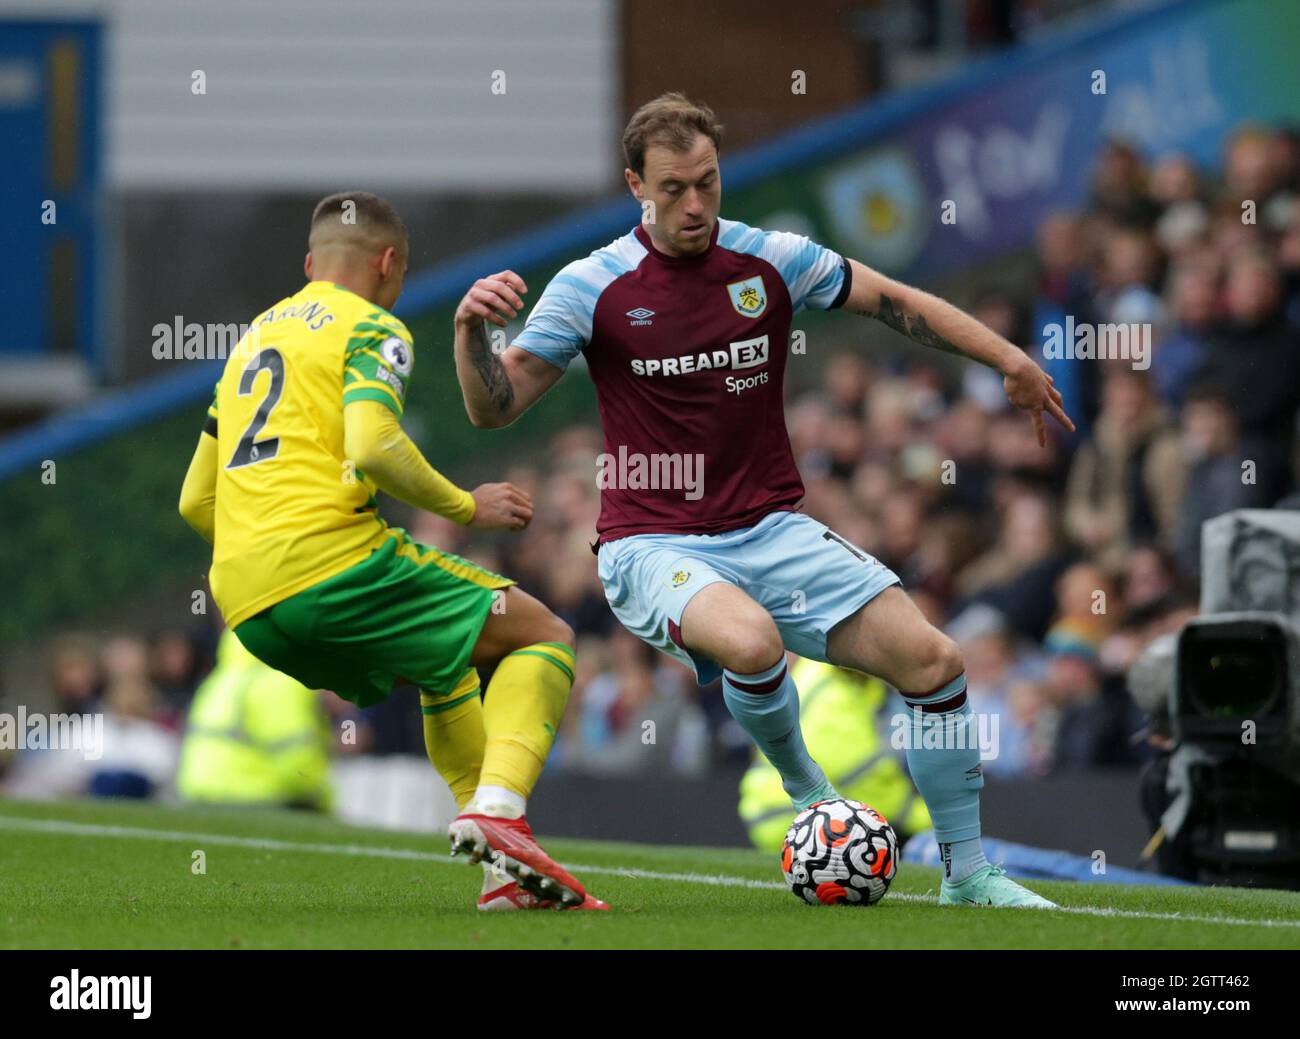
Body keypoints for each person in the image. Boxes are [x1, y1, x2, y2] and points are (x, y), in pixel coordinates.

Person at [452, 94, 1072, 907]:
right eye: (673, 188)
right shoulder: (592, 286)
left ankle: (968, 874)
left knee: (936, 662)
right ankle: (811, 794)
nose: (696, 204)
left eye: (708, 182)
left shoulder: (770, 261)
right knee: (750, 642)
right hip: (652, 543)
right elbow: (492, 407)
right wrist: (469, 334)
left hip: (770, 528)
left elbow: (897, 300)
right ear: (635, 183)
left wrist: (1008, 360)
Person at [178, 191, 605, 911]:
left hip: (248, 605)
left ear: (311, 263)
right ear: (388, 263)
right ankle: (498, 810)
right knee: (546, 632)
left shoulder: (250, 340)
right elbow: (373, 445)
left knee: (445, 664)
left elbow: (195, 499)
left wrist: (263, 552)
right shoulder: (373, 326)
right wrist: (467, 505)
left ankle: (503, 873)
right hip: (333, 564)